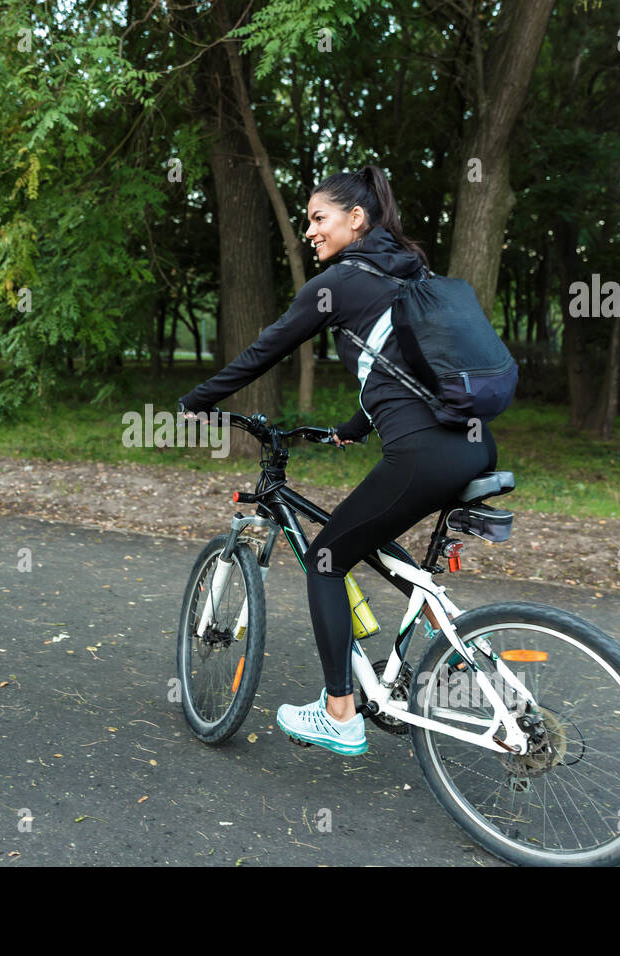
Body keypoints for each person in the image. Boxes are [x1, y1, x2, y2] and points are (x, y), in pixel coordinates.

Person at [177, 165, 498, 756]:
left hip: (424, 455)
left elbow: (265, 349)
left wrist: (196, 402)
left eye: (318, 218)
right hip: (472, 444)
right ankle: (433, 667)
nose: (310, 231)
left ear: (357, 218)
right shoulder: (410, 274)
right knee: (374, 544)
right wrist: (353, 427)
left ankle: (340, 714)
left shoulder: (343, 282)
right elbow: (407, 371)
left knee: (326, 558)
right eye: (306, 222)